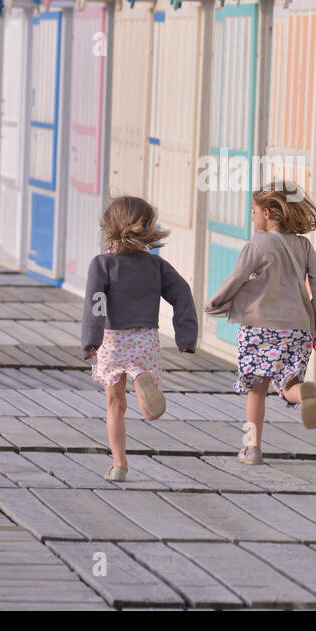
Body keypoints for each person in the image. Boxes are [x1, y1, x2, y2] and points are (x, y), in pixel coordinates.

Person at [205, 180, 316, 464]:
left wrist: (215, 303)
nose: (252, 216)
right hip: (297, 326)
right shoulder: (303, 245)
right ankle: (302, 394)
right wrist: (315, 319)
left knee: (256, 390)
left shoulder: (258, 243)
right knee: (287, 384)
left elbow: (236, 277)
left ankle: (252, 449)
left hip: (260, 327)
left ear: (269, 213)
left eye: (254, 211)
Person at [82, 196, 197, 482]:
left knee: (115, 405)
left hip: (112, 340)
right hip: (144, 338)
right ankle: (141, 379)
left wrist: (91, 341)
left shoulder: (102, 265)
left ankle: (119, 464)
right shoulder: (155, 266)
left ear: (109, 228)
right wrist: (186, 336)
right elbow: (182, 293)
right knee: (145, 403)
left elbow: (95, 304)